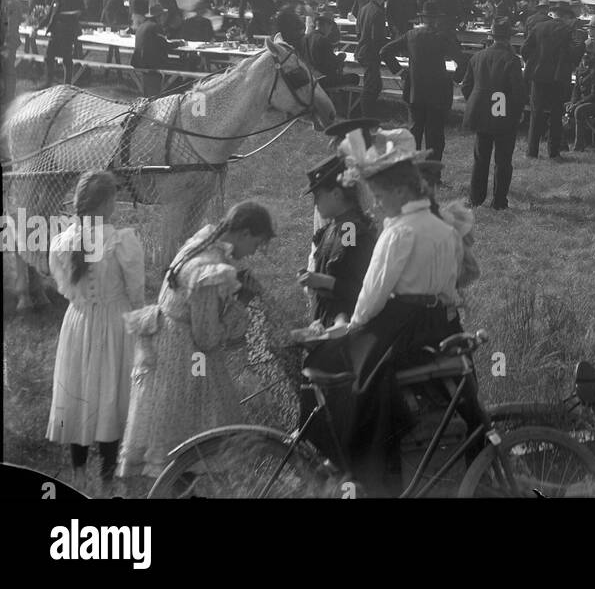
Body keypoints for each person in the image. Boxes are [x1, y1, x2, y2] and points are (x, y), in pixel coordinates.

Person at [326, 131, 478, 494]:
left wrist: (354, 324)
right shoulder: (444, 229)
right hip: (438, 324)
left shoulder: (399, 232)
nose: (376, 205)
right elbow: (449, 286)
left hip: (401, 327)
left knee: (355, 381)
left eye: (379, 196)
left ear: (399, 192)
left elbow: (374, 291)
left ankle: (362, 469)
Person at [118, 201, 276, 481]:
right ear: (245, 233)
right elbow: (207, 337)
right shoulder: (210, 272)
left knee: (178, 427)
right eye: (257, 244)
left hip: (167, 342)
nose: (253, 253)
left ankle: (180, 480)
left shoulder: (203, 242)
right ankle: (183, 480)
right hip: (186, 354)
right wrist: (239, 305)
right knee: (196, 428)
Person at [47, 171, 145, 493]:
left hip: (78, 323)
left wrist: (85, 302)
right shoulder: (122, 241)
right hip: (114, 323)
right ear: (106, 202)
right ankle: (104, 482)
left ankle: (78, 479)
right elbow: (136, 291)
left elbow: (65, 288)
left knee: (78, 392)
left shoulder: (63, 241)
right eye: (114, 198)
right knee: (110, 394)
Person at [298, 156, 379, 326]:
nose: (315, 204)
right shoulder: (330, 229)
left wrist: (322, 281)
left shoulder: (349, 229)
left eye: (318, 196)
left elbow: (359, 285)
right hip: (326, 321)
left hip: (347, 324)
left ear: (336, 194)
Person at [382, 0, 461, 162]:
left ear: (422, 19)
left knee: (414, 133)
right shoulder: (442, 37)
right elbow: (463, 60)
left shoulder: (412, 35)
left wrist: (400, 72)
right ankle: (432, 173)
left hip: (415, 91)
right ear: (437, 19)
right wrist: (454, 79)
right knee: (435, 136)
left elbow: (385, 51)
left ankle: (413, 168)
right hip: (437, 93)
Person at [461, 18, 526, 209]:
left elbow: (466, 86)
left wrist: (478, 101)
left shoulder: (477, 56)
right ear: (508, 38)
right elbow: (518, 92)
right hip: (502, 111)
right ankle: (499, 201)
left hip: (482, 111)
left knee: (480, 158)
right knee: (503, 160)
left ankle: (475, 198)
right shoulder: (511, 59)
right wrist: (517, 112)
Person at [521, 0, 583, 160]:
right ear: (566, 16)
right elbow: (573, 55)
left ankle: (532, 150)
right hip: (558, 77)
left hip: (539, 74)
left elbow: (525, 49)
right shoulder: (568, 31)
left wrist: (533, 62)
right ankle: (553, 151)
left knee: (536, 113)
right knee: (556, 115)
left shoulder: (539, 27)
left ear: (552, 14)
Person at [355, 0, 399, 118]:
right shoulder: (379, 12)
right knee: (371, 86)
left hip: (362, 49)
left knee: (375, 84)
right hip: (371, 52)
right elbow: (377, 38)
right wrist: (392, 44)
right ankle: (366, 116)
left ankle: (368, 113)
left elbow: (358, 31)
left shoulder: (364, 8)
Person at [130, 1, 181, 97]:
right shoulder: (156, 27)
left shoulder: (142, 26)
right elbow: (164, 46)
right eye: (163, 15)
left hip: (139, 61)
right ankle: (172, 93)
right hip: (152, 63)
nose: (165, 17)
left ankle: (165, 91)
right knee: (181, 65)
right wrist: (178, 44)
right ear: (159, 16)